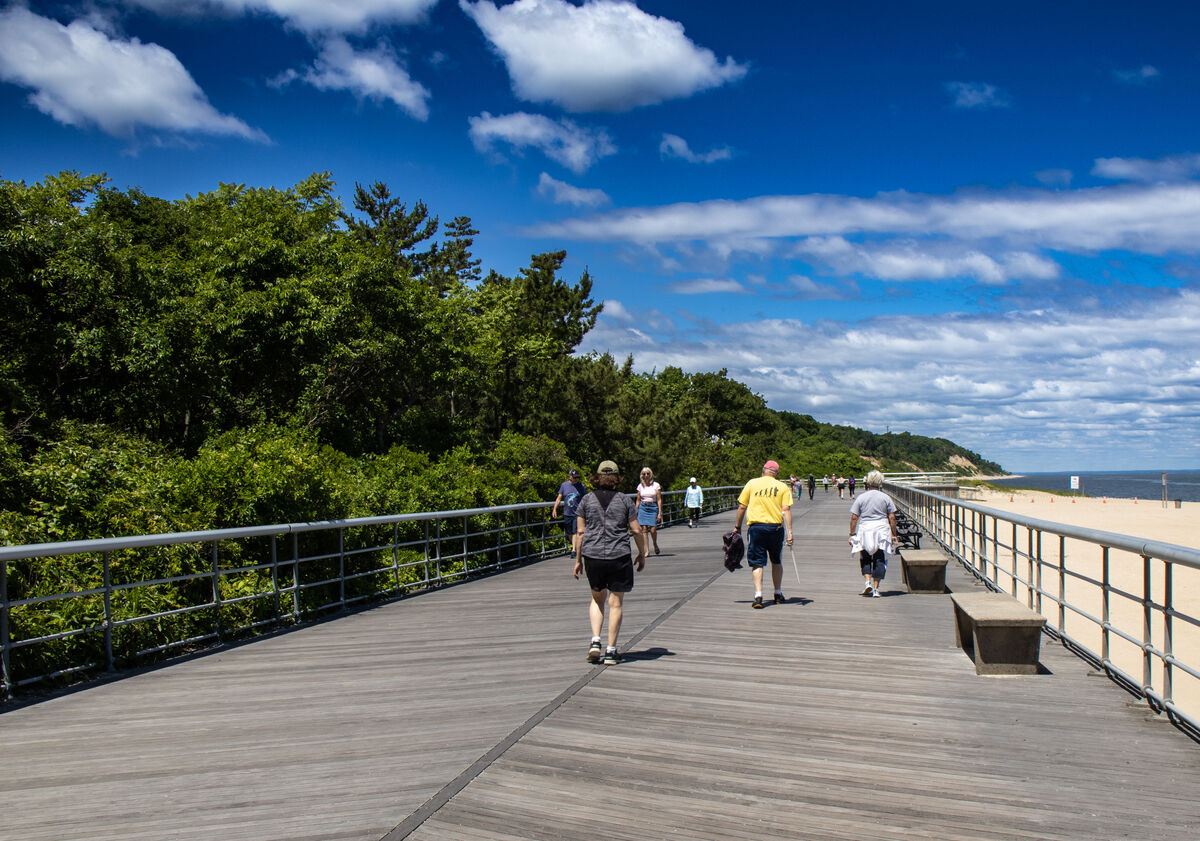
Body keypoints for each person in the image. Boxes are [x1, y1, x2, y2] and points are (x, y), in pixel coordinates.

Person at [574, 460, 647, 664]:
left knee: (597, 599)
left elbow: (580, 532)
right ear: (616, 478)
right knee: (616, 603)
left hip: (592, 555)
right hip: (619, 555)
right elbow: (636, 529)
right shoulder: (624, 500)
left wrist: (578, 560)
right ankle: (611, 651)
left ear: (597, 477)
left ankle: (595, 640)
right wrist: (641, 553)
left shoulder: (586, 500)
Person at [733, 460, 794, 608]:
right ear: (776, 474)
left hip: (756, 528)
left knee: (757, 562)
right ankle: (778, 593)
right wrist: (790, 532)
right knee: (776, 560)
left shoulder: (752, 483)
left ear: (763, 470)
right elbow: (786, 510)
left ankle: (758, 596)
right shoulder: (782, 487)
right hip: (776, 528)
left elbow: (742, 506)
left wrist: (737, 527)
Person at [848, 470, 899, 598]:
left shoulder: (862, 497)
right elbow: (892, 517)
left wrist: (852, 534)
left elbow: (854, 517)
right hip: (881, 529)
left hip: (865, 529)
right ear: (880, 482)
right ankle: (876, 589)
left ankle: (867, 583)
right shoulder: (885, 497)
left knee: (865, 556)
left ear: (868, 482)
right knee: (879, 558)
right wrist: (894, 534)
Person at [551, 468, 587, 556]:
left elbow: (585, 499)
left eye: (577, 478)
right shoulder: (564, 485)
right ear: (569, 477)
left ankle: (574, 550)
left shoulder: (581, 486)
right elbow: (559, 498)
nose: (576, 479)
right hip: (567, 512)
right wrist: (554, 509)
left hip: (577, 512)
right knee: (569, 532)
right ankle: (575, 546)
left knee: (575, 531)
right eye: (574, 477)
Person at [636, 467, 663, 554]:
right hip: (643, 507)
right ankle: (647, 550)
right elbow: (638, 500)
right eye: (644, 474)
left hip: (653, 507)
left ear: (650, 475)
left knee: (653, 529)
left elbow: (659, 499)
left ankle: (655, 544)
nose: (646, 475)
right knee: (644, 529)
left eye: (648, 473)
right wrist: (635, 511)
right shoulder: (640, 486)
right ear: (642, 476)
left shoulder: (656, 485)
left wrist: (659, 512)